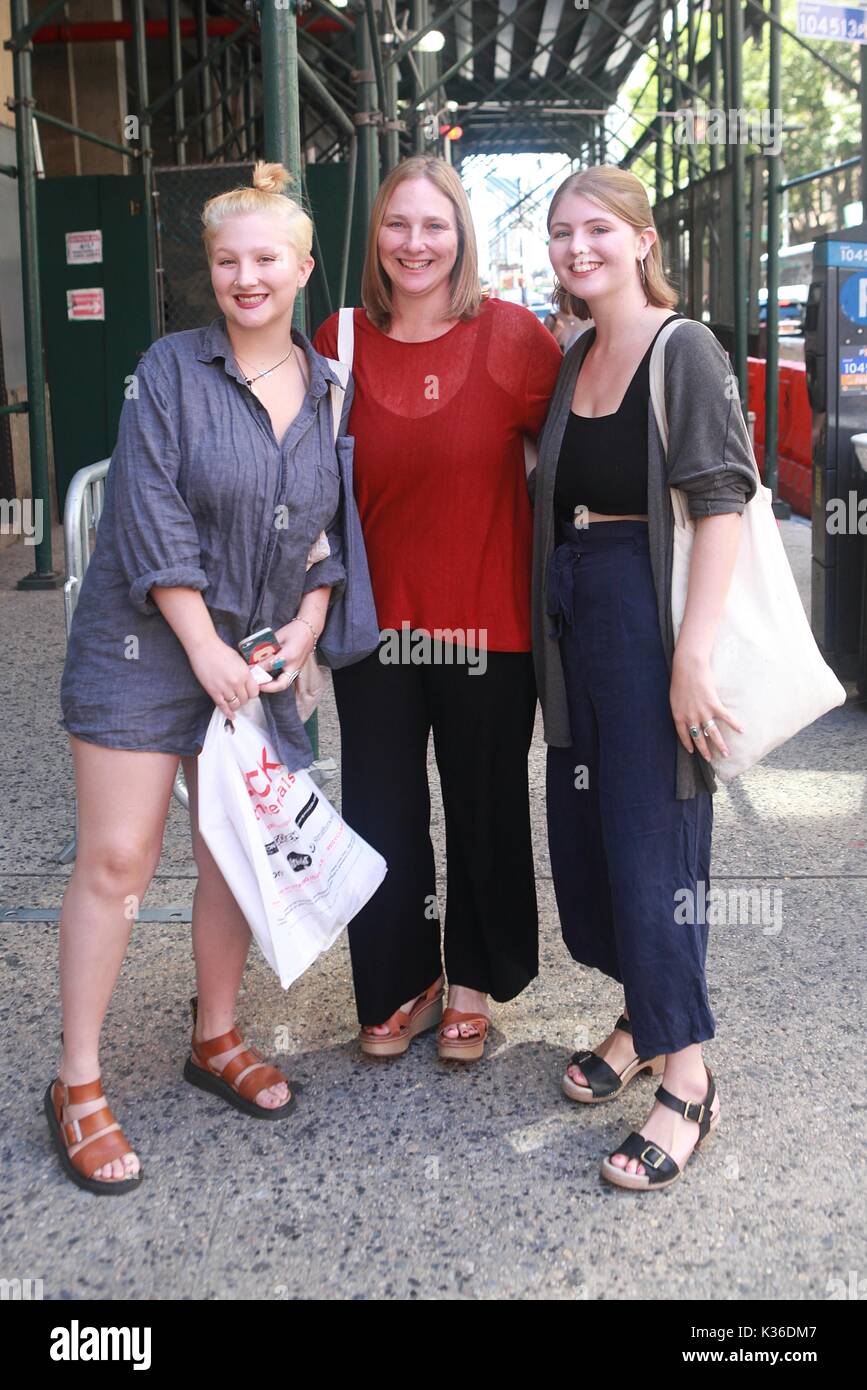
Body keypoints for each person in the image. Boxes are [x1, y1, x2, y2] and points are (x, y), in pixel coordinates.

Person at [50, 161, 378, 1194]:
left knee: (234, 855)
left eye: (267, 259)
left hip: (255, 657)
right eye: (229, 260)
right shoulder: (168, 371)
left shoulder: (327, 387)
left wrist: (309, 621)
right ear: (212, 269)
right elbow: (146, 514)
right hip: (148, 647)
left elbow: (328, 531)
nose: (247, 277)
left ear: (303, 269)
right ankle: (78, 1079)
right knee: (117, 858)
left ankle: (217, 1035)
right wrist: (201, 645)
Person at [530, 165, 756, 1190]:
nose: (579, 250)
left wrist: (691, 657)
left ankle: (690, 1079)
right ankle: (639, 1017)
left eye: (598, 231)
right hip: (577, 608)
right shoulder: (575, 353)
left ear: (641, 239)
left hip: (645, 611)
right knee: (589, 833)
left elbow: (720, 506)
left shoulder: (685, 347)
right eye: (562, 234)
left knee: (653, 839)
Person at [315, 156, 562, 1061]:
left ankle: (472, 983)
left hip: (487, 628)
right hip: (375, 626)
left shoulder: (511, 337)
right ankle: (399, 981)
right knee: (379, 811)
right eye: (397, 225)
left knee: (483, 804)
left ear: (461, 236)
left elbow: (576, 445)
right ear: (375, 236)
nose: (414, 244)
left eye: (434, 226)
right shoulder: (336, 339)